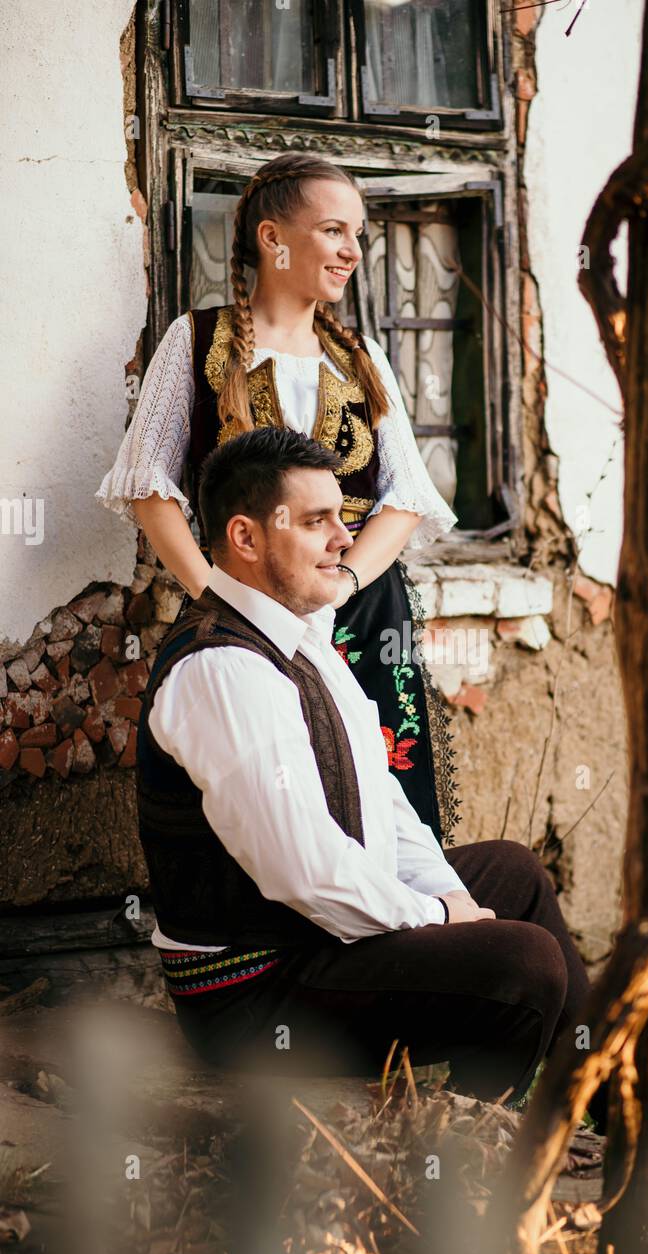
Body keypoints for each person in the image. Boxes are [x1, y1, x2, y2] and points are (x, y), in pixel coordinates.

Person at [137, 426, 599, 1115]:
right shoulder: (221, 669)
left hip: (313, 940)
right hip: (251, 989)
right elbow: (302, 871)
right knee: (523, 965)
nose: (345, 540)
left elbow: (380, 799)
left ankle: (618, 1117)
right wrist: (439, 916)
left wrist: (451, 902)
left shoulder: (304, 635)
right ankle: (467, 1155)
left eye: (343, 518)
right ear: (245, 536)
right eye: (318, 521)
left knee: (515, 876)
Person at [98, 151, 459, 844]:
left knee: (376, 802)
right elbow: (149, 486)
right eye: (333, 231)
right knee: (266, 802)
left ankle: (399, 937)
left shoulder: (359, 358)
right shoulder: (197, 341)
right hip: (235, 611)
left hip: (358, 613)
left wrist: (344, 582)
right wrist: (217, 597)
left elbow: (404, 499)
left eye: (357, 233)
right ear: (272, 238)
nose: (352, 250)